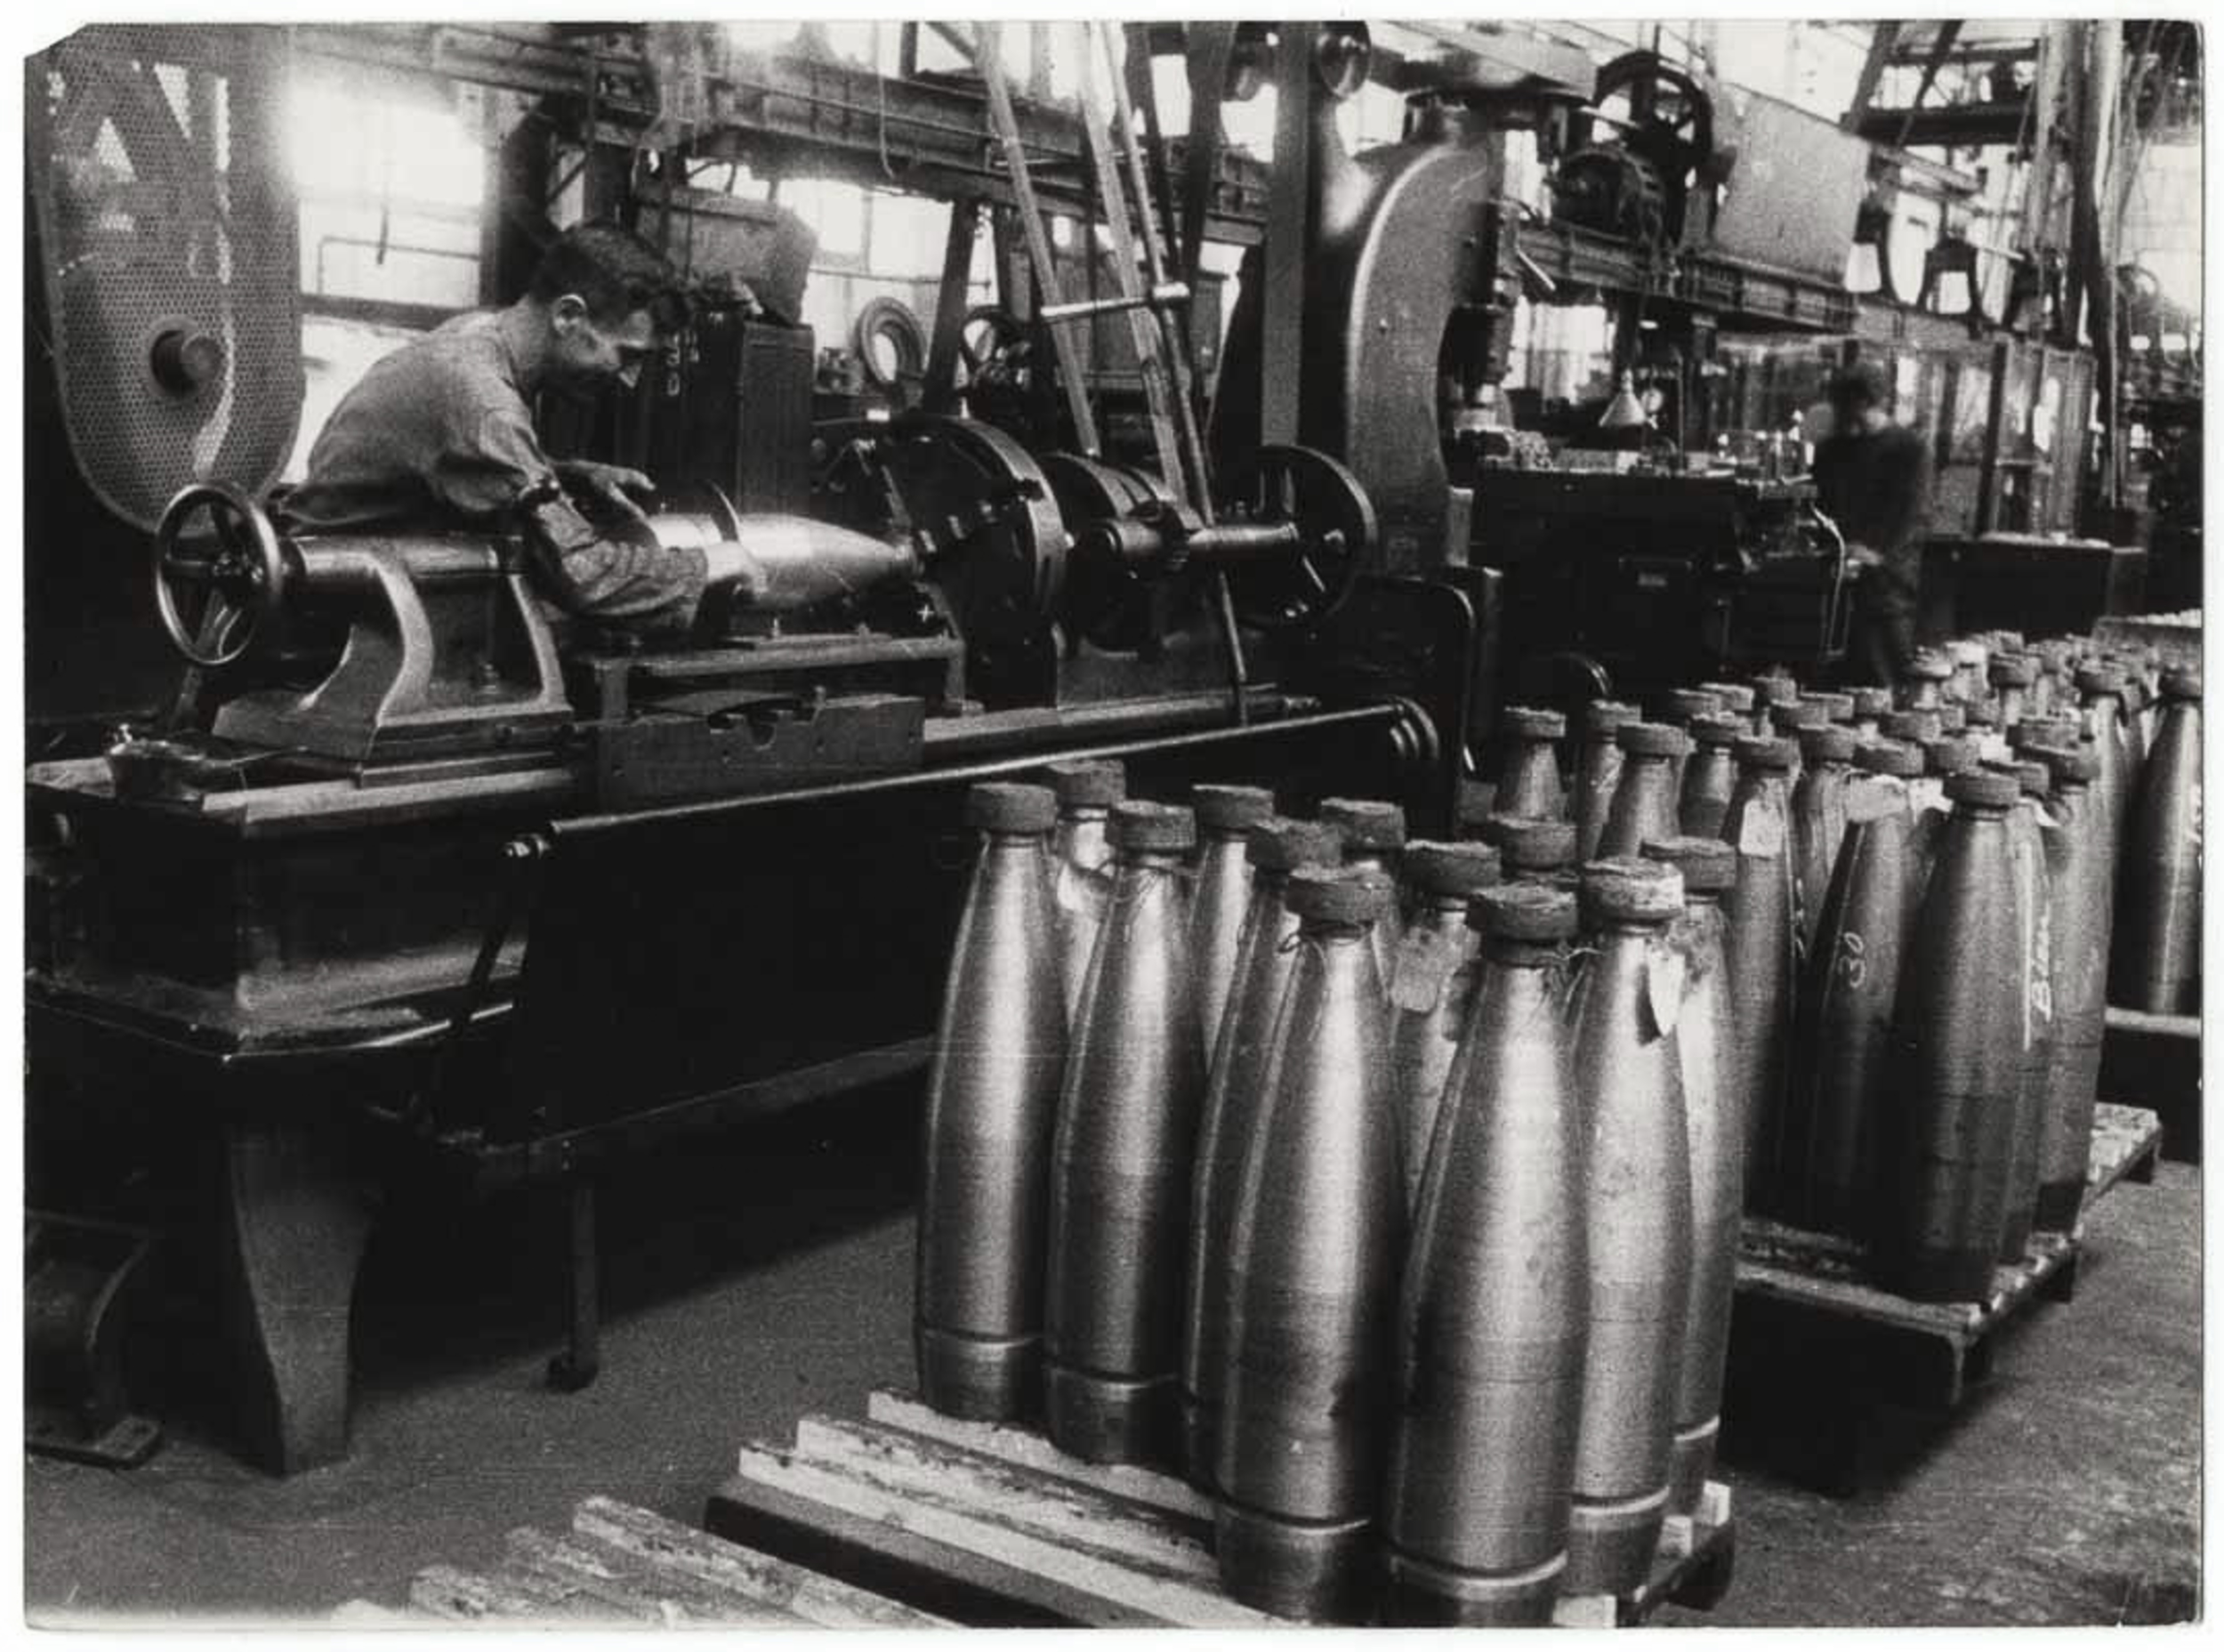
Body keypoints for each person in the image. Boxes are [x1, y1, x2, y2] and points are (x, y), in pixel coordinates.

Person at [282, 222, 705, 638]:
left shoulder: (477, 334)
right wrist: (709, 564)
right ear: (568, 316)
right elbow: (583, 575)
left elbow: (449, 459)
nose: (628, 378)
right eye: (626, 354)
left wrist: (567, 473)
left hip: (329, 590)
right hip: (321, 628)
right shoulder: (483, 401)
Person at [1811, 359, 1931, 688]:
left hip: (1885, 589)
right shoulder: (1832, 451)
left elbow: (1913, 517)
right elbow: (1819, 507)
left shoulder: (1909, 450)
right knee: (1830, 682)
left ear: (1863, 402)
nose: (1838, 417)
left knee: (1884, 677)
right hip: (1836, 584)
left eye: (1843, 407)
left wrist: (1875, 555)